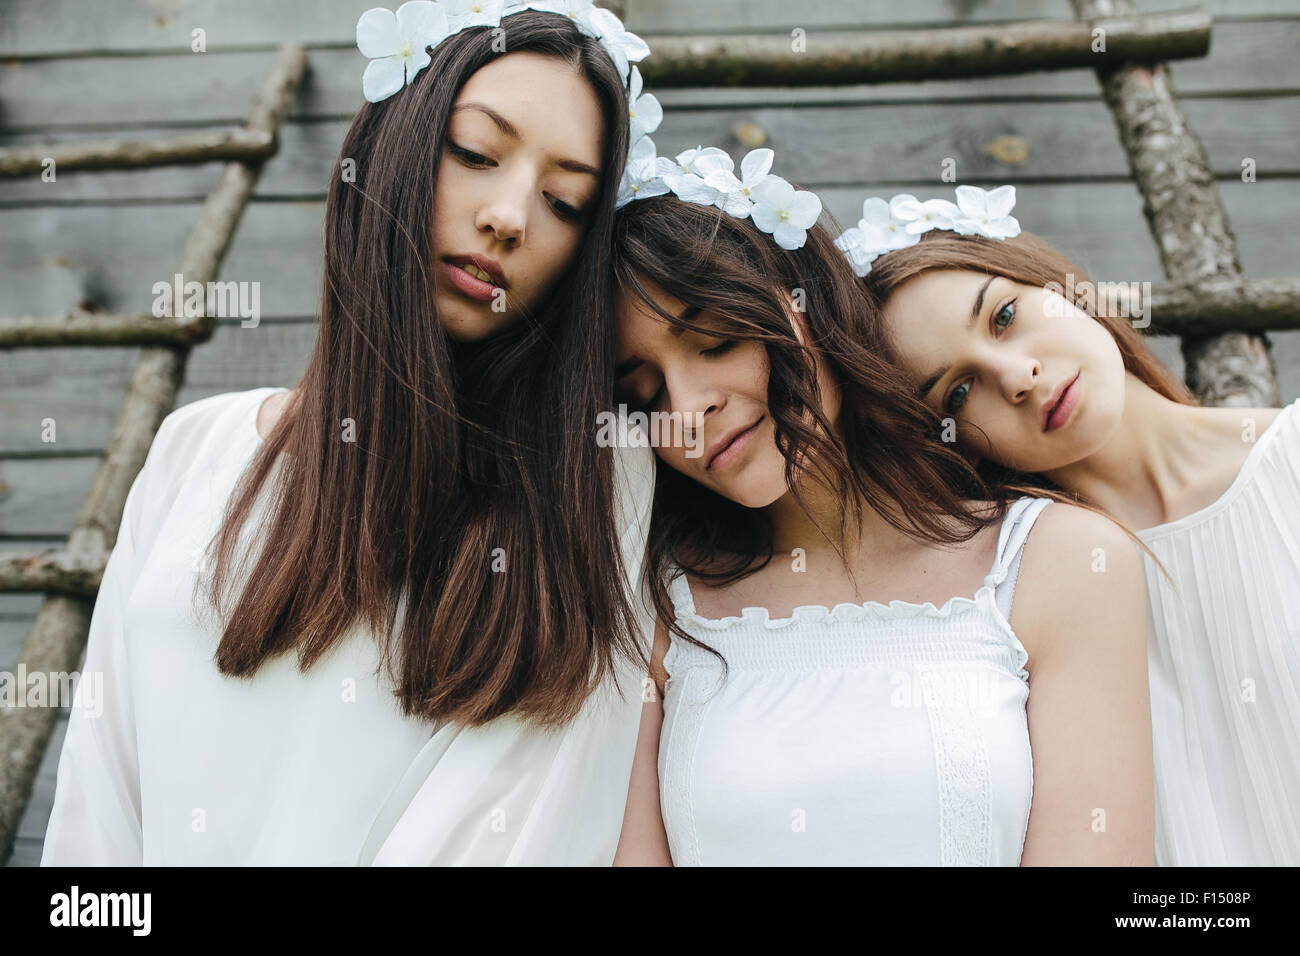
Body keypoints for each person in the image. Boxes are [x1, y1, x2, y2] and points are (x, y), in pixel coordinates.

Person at [41, 1, 658, 866]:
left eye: (566, 201)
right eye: (476, 153)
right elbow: (94, 815)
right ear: (393, 150)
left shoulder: (599, 479)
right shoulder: (194, 449)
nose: (511, 216)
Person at [606, 151, 1154, 865]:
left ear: (810, 304)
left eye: (716, 341)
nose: (686, 409)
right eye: (644, 395)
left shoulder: (1057, 562)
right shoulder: (656, 609)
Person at [856, 183, 1300, 865]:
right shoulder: (1011, 603)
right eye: (961, 390)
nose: (1018, 376)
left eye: (1004, 316)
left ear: (1051, 281)